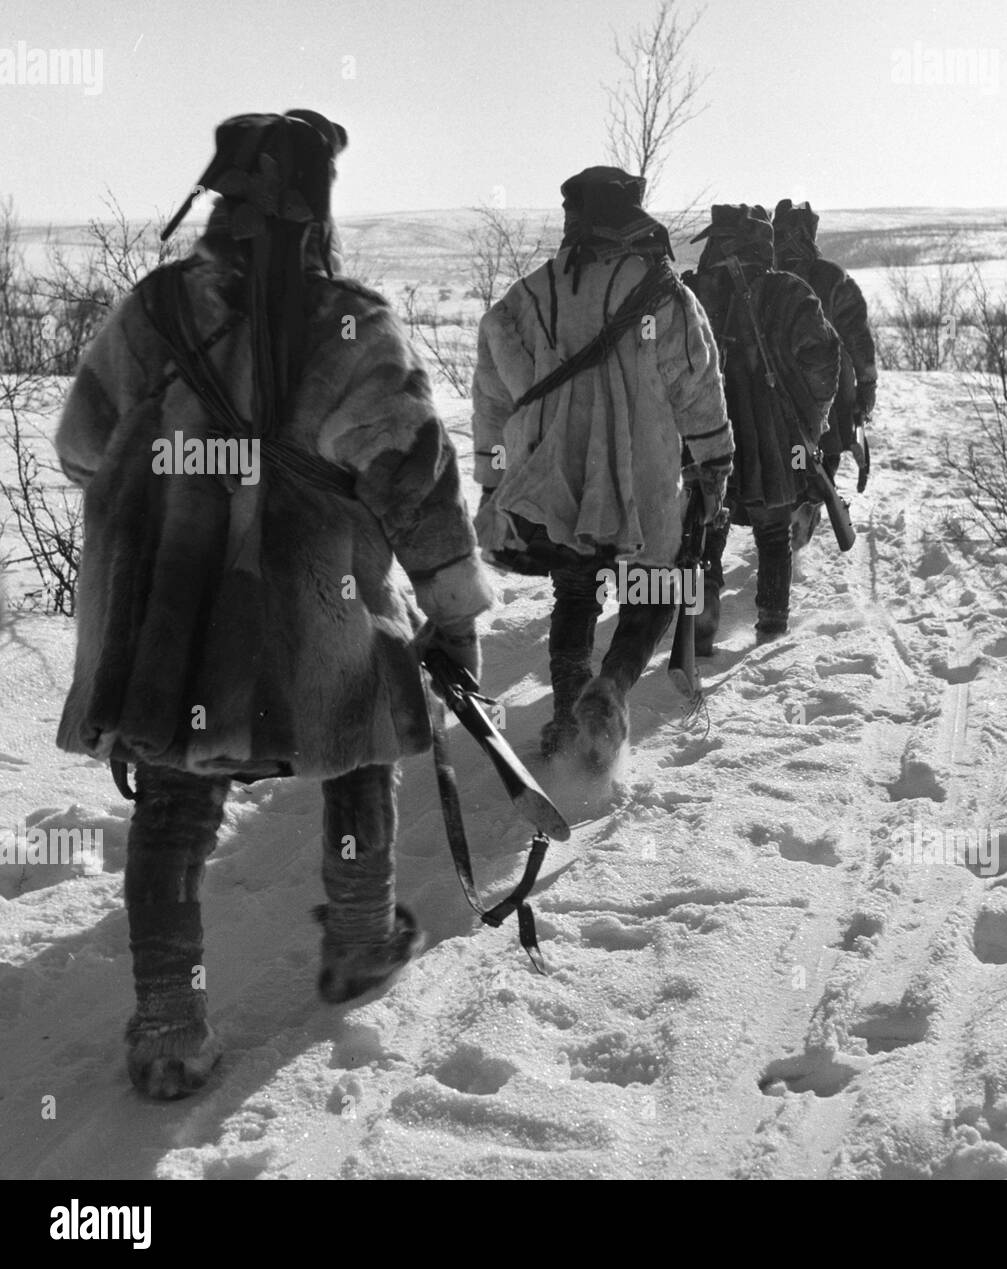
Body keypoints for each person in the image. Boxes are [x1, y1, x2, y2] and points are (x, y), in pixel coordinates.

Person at [54, 110, 493, 1099]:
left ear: (217, 200)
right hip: (312, 602)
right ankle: (359, 941)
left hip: (173, 609)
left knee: (171, 806)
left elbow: (82, 444)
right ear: (318, 206)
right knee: (359, 744)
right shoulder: (351, 323)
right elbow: (410, 481)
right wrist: (449, 611)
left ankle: (168, 1029)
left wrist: (175, 479)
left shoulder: (154, 310)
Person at [472, 166, 731, 773]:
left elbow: (490, 394)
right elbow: (695, 381)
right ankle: (611, 686)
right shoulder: (662, 292)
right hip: (643, 477)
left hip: (552, 478)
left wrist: (494, 477)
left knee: (575, 588)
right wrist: (714, 460)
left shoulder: (526, 295)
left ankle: (567, 712)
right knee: (658, 584)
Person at [681, 205, 840, 652]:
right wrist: (811, 420)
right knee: (773, 533)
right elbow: (824, 359)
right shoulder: (790, 291)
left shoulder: (691, 292)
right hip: (774, 435)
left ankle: (705, 607)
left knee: (706, 526)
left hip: (705, 431)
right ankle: (770, 628)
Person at [773, 199, 877, 550]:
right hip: (828, 393)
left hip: (772, 393)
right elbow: (858, 338)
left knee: (787, 459)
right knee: (823, 458)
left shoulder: (761, 277)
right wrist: (867, 384)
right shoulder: (832, 278)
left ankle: (794, 516)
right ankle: (805, 510)